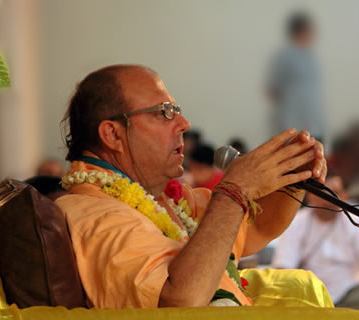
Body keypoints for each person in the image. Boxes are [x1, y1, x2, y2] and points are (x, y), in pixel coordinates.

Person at [56, 65, 329, 309]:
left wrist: (296, 174)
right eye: (164, 112)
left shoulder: (167, 200)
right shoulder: (95, 215)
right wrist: (234, 190)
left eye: (176, 111)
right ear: (113, 134)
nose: (183, 124)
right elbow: (180, 301)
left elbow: (256, 227)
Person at [272, 176, 359, 314]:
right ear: (310, 196)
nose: (329, 199)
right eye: (323, 193)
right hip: (310, 297)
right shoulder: (297, 222)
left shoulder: (357, 222)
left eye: (335, 193)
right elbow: (283, 268)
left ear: (344, 196)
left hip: (350, 295)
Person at [267, 12, 325, 140]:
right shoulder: (284, 56)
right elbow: (272, 89)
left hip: (314, 125)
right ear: (298, 31)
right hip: (291, 126)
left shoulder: (310, 57)